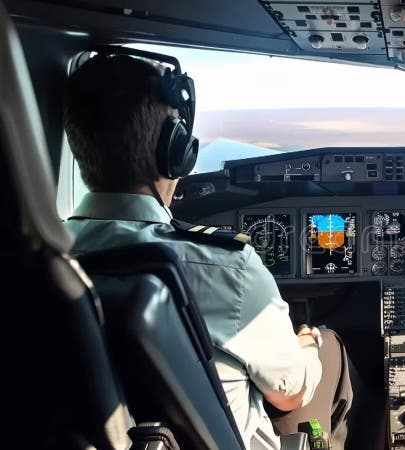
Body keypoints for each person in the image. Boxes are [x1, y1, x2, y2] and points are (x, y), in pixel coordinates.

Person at [62, 50, 354, 450]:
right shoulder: (226, 267)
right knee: (328, 350)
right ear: (175, 152)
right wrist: (307, 344)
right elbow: (292, 392)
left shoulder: (42, 267)